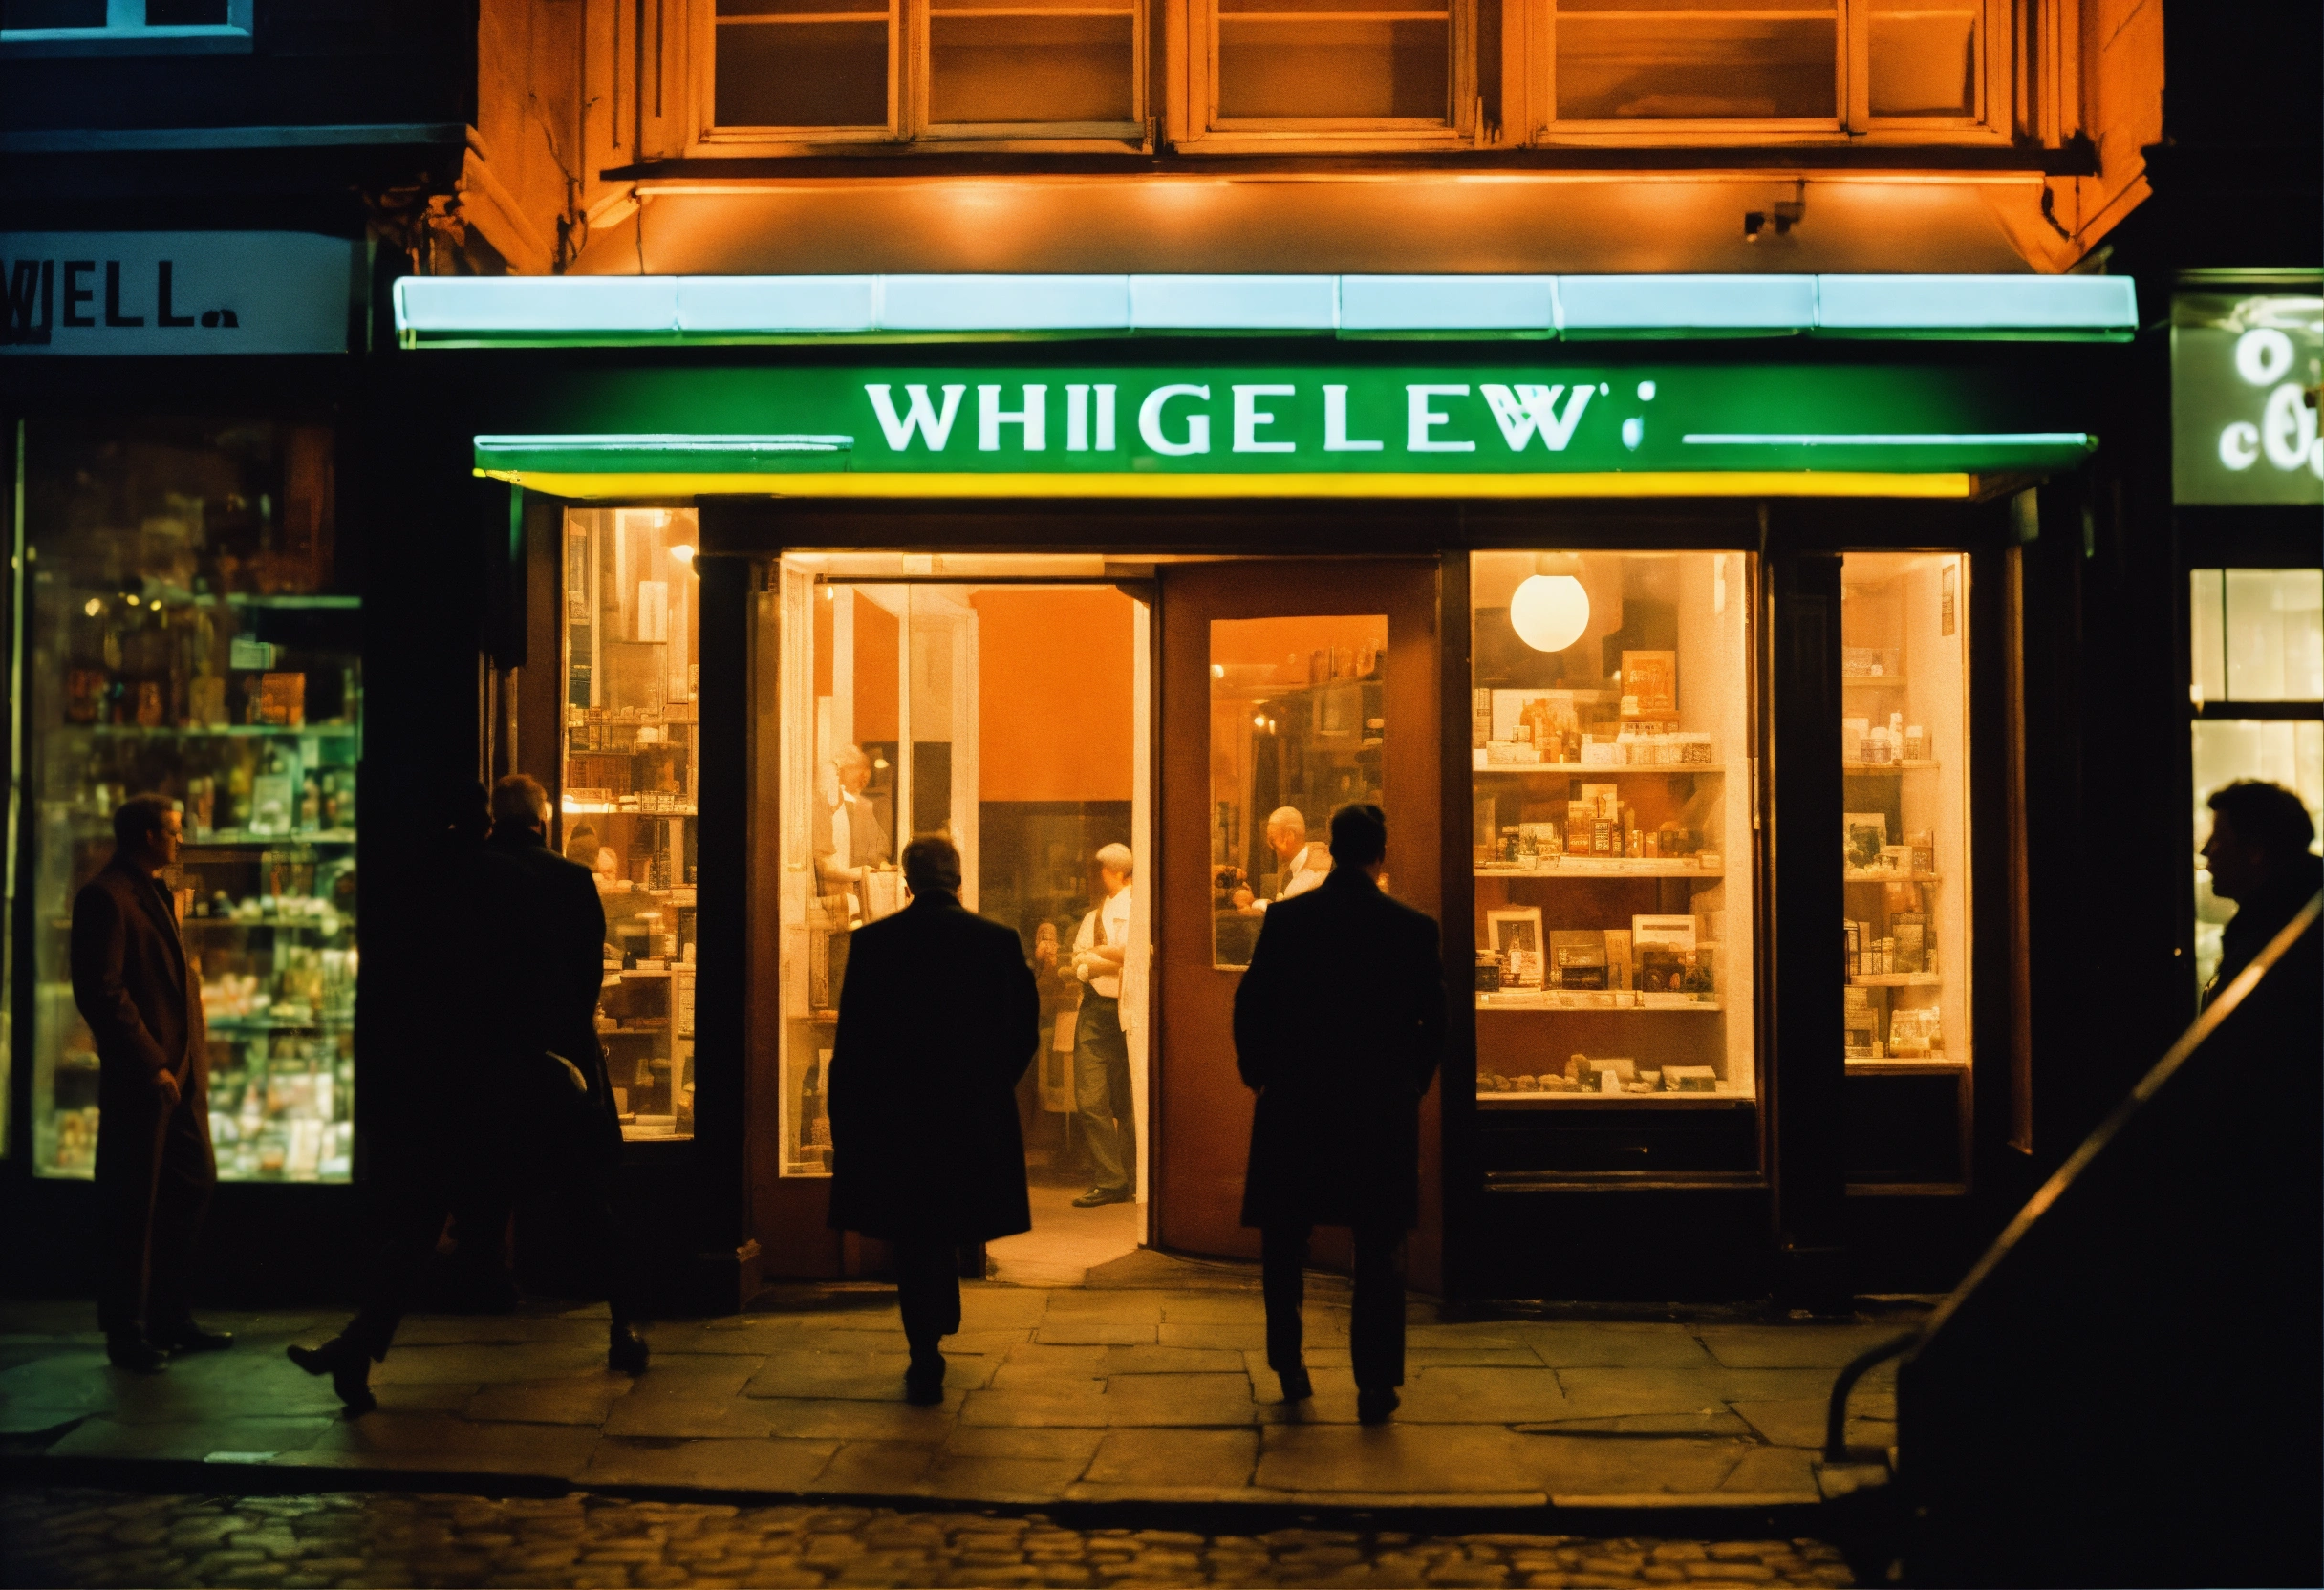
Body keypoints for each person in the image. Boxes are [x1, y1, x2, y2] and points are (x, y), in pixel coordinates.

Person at [289, 776, 647, 1413]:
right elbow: (573, 981)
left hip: (459, 1080)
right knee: (589, 1204)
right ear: (537, 818)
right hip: (538, 1072)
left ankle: (360, 1343)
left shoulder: (426, 884)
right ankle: (626, 1326)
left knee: (425, 1215)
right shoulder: (546, 881)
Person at [1233, 803, 1443, 1425]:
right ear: (1381, 854)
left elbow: (1252, 1003)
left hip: (1297, 1102)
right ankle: (1375, 1382)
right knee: (1378, 1248)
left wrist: (1259, 1075)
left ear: (1331, 847)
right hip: (1377, 1108)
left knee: (1285, 1238)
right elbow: (1435, 1022)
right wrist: (1411, 1085)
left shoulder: (1290, 920)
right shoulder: (1412, 929)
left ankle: (1288, 1362)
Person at [827, 833, 1039, 1405]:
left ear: (907, 880)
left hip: (899, 1112)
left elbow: (855, 1041)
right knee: (949, 1216)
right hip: (970, 1110)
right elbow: (1024, 1029)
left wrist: (848, 1113)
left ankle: (924, 1347)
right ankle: (939, 1315)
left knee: (913, 1229)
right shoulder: (998, 941)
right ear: (959, 877)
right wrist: (992, 1083)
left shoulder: (873, 944)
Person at [72, 794, 229, 1372]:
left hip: (180, 1073)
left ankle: (169, 1314)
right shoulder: (106, 897)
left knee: (191, 1185)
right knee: (132, 1204)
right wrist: (150, 1063)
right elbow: (103, 991)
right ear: (144, 835)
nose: (181, 839)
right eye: (172, 830)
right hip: (148, 1076)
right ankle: (126, 1329)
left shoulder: (158, 892)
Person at [2201, 780, 2323, 1008]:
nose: (2206, 851)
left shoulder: (2276, 940)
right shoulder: (2300, 917)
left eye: (2217, 839)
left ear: (2255, 851)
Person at [1068, 844, 1137, 1208]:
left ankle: (1126, 1178)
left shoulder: (1140, 909)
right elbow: (1080, 955)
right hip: (1096, 1008)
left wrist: (1102, 958)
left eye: (1102, 870)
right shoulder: (1094, 917)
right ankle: (1114, 1178)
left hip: (1126, 1008)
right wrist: (1104, 958)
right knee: (1093, 1099)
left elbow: (1139, 953)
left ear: (1112, 871)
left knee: (1124, 1100)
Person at [813, 744, 893, 894]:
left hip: (854, 888)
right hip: (831, 892)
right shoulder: (821, 809)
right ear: (841, 772)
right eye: (858, 770)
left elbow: (875, 851)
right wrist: (864, 871)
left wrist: (882, 865)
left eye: (866, 772)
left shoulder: (864, 806)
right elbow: (825, 867)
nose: (864, 779)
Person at [1233, 807, 1331, 913]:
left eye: (1272, 840)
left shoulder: (1312, 875)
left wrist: (1252, 904)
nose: (1271, 847)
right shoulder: (1294, 866)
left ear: (1289, 836)